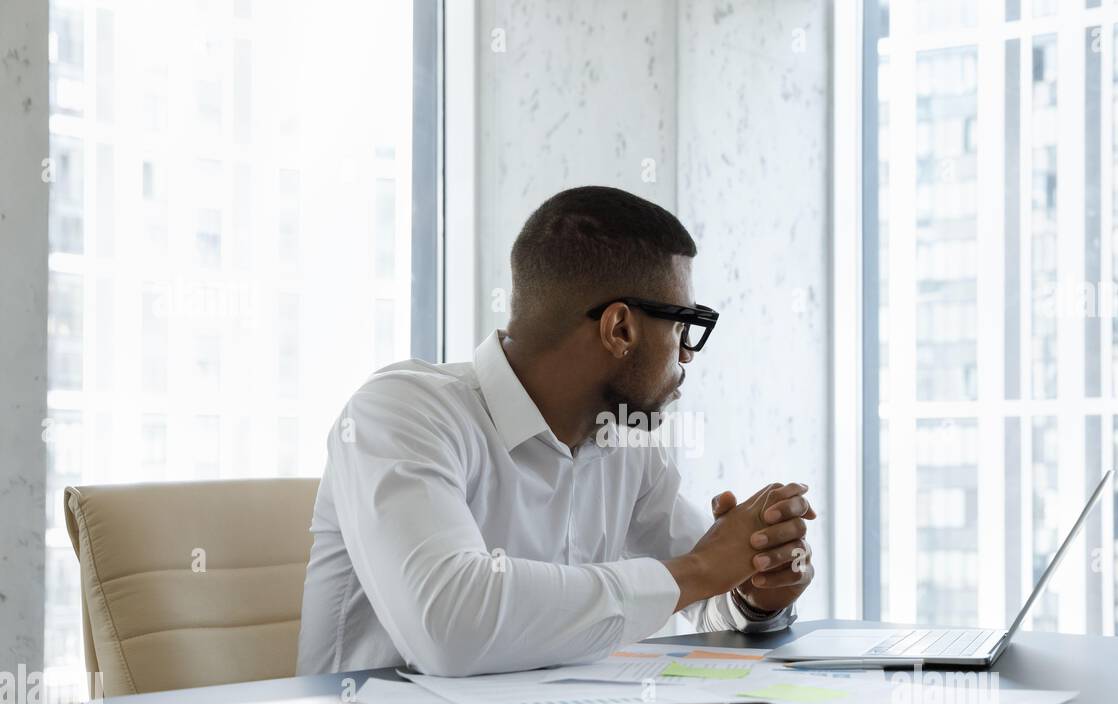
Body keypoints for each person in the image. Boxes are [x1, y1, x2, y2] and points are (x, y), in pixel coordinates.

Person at [296, 186, 816, 677]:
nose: (686, 355)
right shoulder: (401, 412)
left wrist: (754, 589)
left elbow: (703, 597)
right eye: (682, 326)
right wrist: (704, 569)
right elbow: (450, 627)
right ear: (620, 329)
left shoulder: (627, 441)